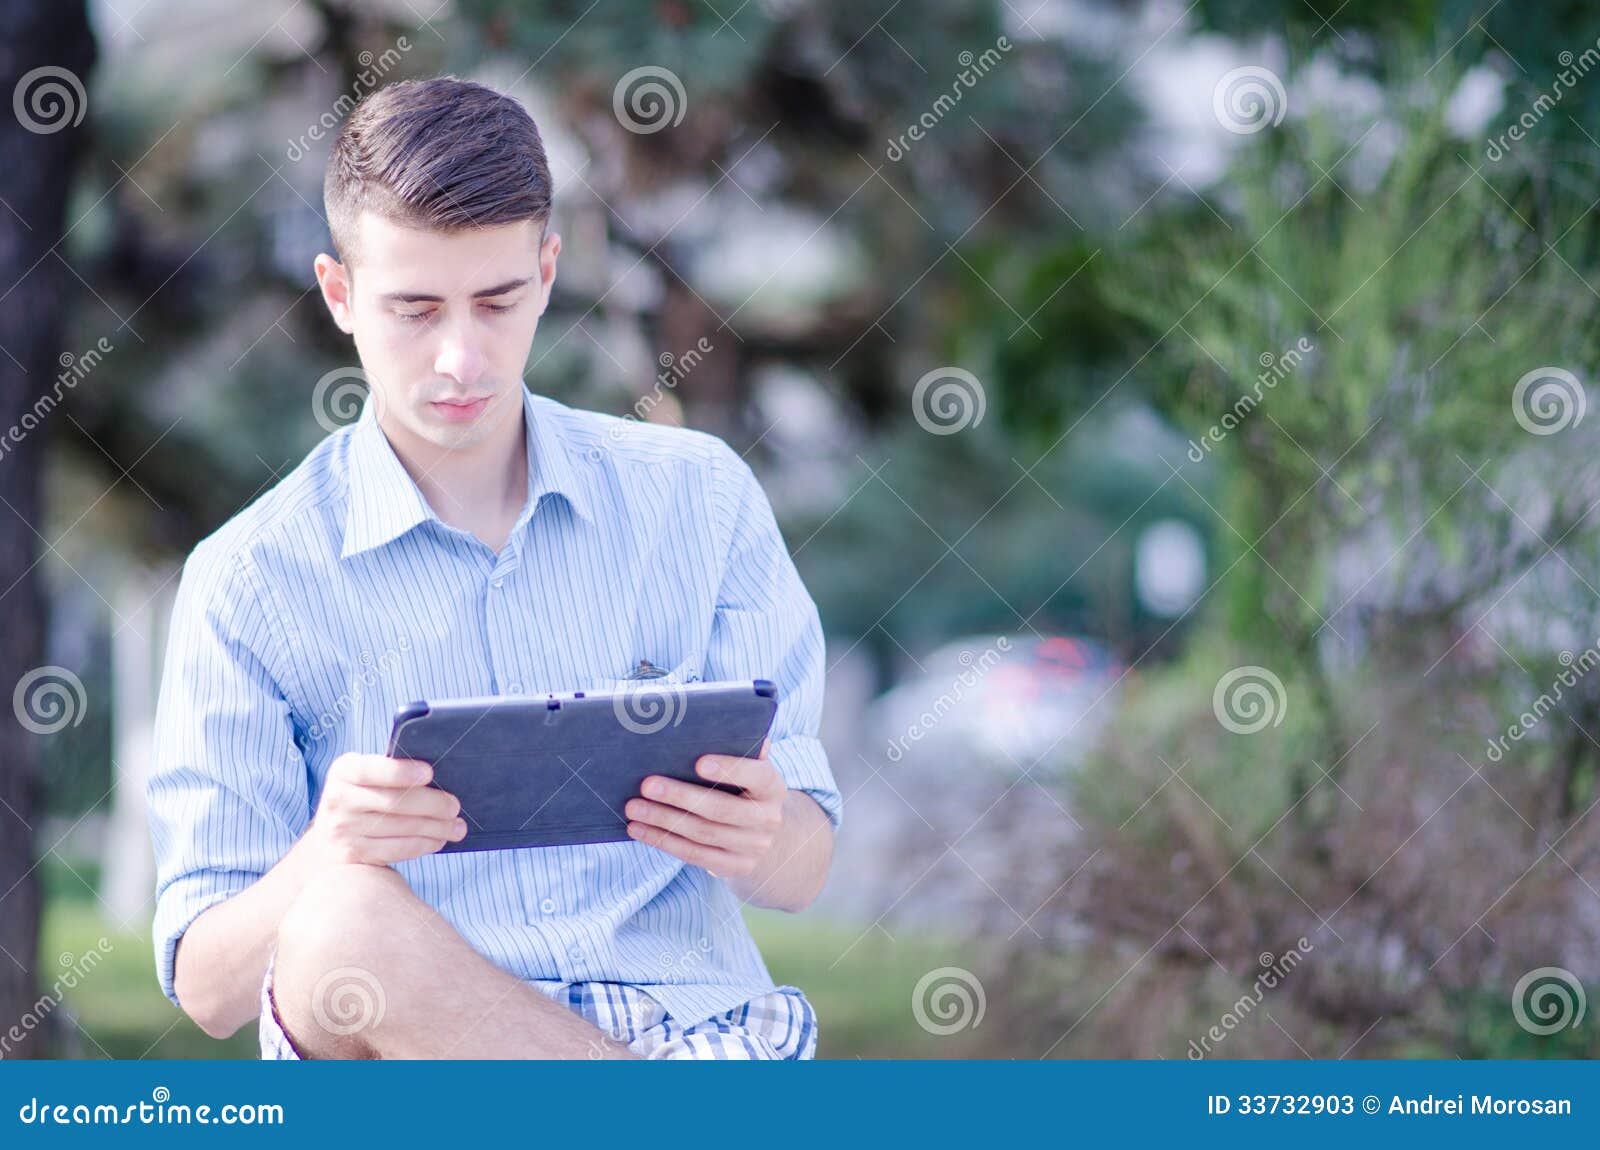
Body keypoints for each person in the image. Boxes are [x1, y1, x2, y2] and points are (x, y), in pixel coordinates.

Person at [145, 76, 841, 1060]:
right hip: (425, 1060)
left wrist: (762, 835)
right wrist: (326, 851)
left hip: (692, 1039)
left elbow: (805, 868)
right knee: (341, 921)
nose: (461, 359)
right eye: (415, 310)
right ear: (340, 294)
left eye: (497, 301)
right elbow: (209, 987)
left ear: (549, 272)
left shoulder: (699, 496)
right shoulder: (248, 578)